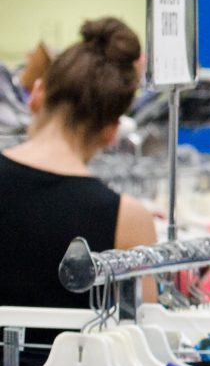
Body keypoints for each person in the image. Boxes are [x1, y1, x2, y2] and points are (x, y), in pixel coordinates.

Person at [0, 18, 155, 315]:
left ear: (36, 95)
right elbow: (142, 339)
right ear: (112, 131)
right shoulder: (128, 220)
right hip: (78, 362)